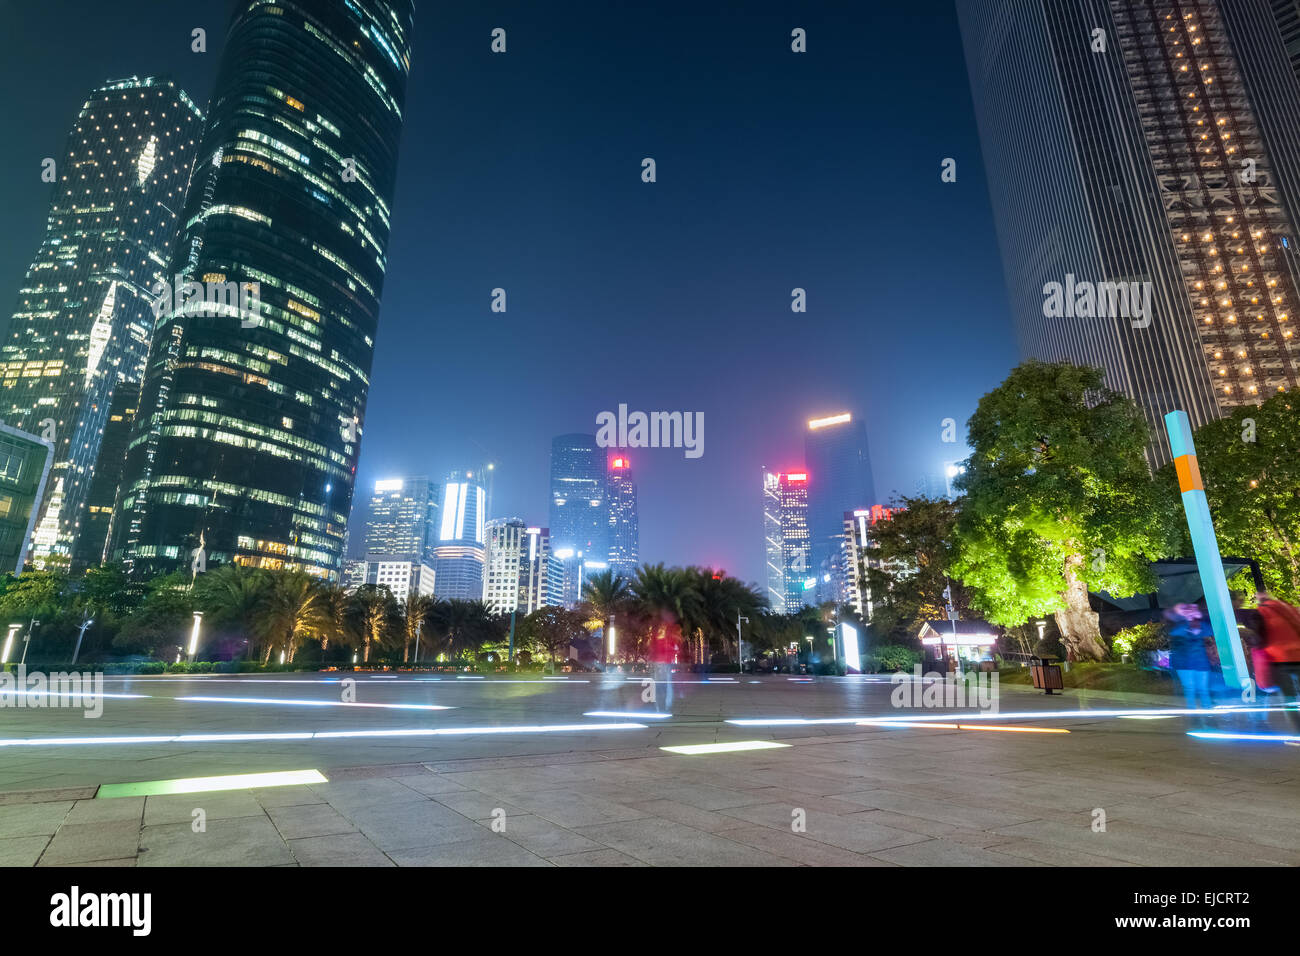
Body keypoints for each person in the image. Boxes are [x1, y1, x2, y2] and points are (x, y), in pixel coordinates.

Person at [1256, 592, 1300, 732]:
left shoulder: (1262, 612)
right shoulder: (1288, 607)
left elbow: (1260, 638)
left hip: (1280, 659)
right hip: (1298, 654)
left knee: (1289, 698)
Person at [1166, 603, 1213, 721]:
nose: (1192, 614)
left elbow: (1211, 631)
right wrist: (1188, 622)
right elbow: (1174, 632)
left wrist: (1197, 621)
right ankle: (1193, 714)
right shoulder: (1180, 626)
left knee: (1202, 688)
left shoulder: (1202, 626)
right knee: (1190, 688)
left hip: (1199, 662)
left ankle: (1207, 713)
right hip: (1184, 663)